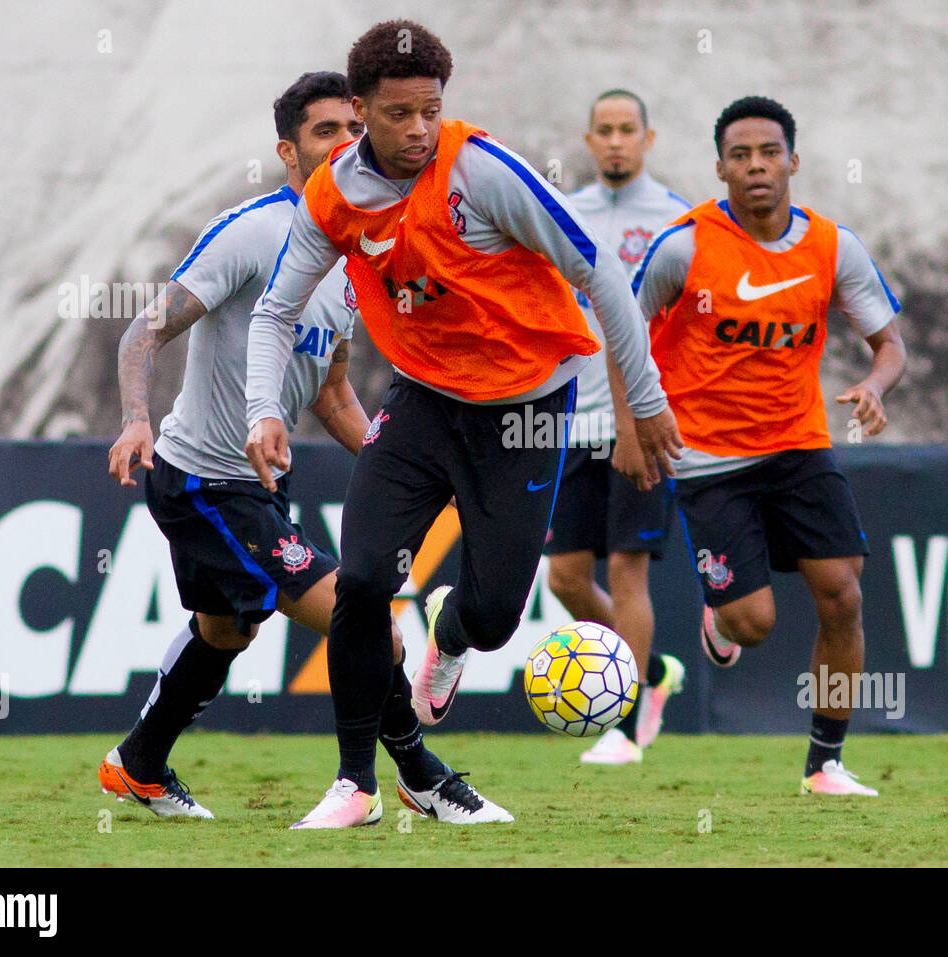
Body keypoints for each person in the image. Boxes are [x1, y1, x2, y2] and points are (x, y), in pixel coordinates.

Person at [245, 21, 683, 828]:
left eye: (430, 111)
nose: (418, 130)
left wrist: (645, 400)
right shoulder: (335, 192)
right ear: (361, 109)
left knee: (492, 615)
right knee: (365, 580)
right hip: (420, 403)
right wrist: (264, 409)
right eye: (399, 113)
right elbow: (274, 311)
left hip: (524, 409)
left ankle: (449, 637)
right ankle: (356, 784)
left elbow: (602, 270)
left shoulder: (479, 170)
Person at [101, 71, 510, 825]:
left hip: (260, 483)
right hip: (203, 480)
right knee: (370, 619)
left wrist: (419, 469)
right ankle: (422, 775)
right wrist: (135, 419)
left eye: (353, 130)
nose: (346, 145)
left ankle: (138, 763)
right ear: (288, 151)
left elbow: (332, 395)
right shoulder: (253, 230)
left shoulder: (355, 252)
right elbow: (144, 329)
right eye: (326, 132)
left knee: (229, 629)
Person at [633, 95, 906, 796]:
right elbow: (624, 327)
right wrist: (639, 418)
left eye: (769, 153)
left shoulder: (832, 245)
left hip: (799, 444)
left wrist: (876, 385)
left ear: (793, 160)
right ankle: (720, 617)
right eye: (740, 155)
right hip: (707, 457)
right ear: (720, 167)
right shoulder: (684, 245)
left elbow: (890, 344)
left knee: (843, 594)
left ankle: (825, 763)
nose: (756, 166)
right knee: (754, 624)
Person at [545, 90, 689, 765]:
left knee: (629, 571)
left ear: (648, 138)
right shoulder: (566, 212)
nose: (615, 142)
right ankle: (650, 669)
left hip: (644, 425)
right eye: (603, 130)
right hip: (574, 422)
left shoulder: (675, 218)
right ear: (588, 137)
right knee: (567, 578)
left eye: (627, 130)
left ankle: (625, 726)